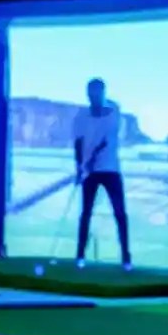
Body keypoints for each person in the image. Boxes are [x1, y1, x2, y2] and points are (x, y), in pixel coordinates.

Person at [73, 77, 132, 270]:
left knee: (120, 213)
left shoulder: (114, 111)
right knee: (86, 213)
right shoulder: (81, 116)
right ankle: (80, 255)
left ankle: (126, 258)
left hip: (110, 169)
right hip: (89, 173)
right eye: (90, 94)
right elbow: (78, 143)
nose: (94, 97)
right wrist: (79, 168)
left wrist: (91, 159)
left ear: (103, 93)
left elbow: (105, 141)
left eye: (97, 93)